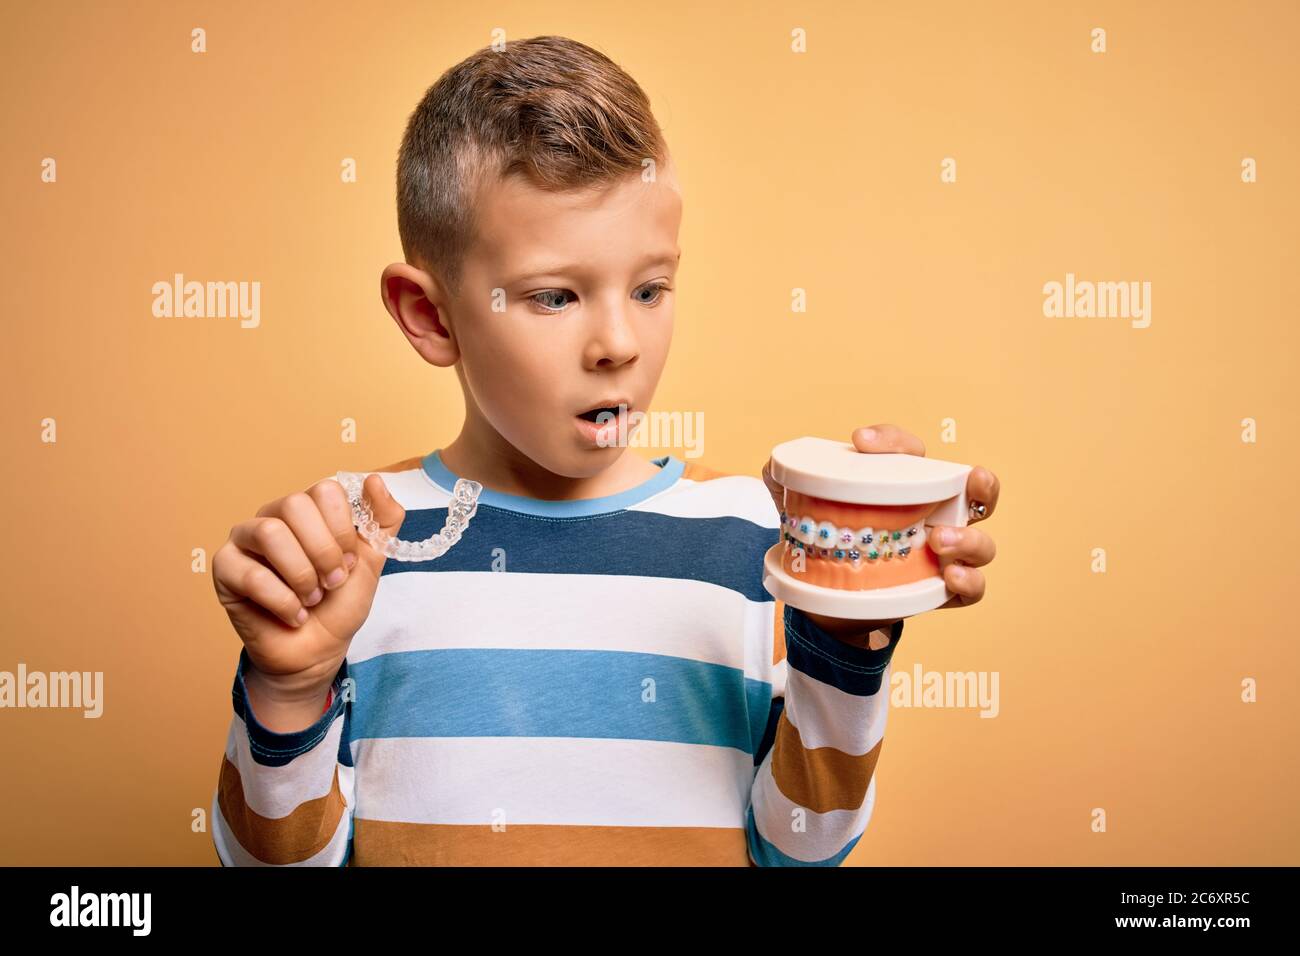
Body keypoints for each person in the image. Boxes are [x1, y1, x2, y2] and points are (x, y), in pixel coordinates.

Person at [208, 35, 1001, 866]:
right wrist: (289, 692)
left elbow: (803, 849)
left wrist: (846, 636)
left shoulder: (754, 535)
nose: (620, 343)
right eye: (556, 296)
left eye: (650, 288)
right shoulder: (349, 544)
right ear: (432, 317)